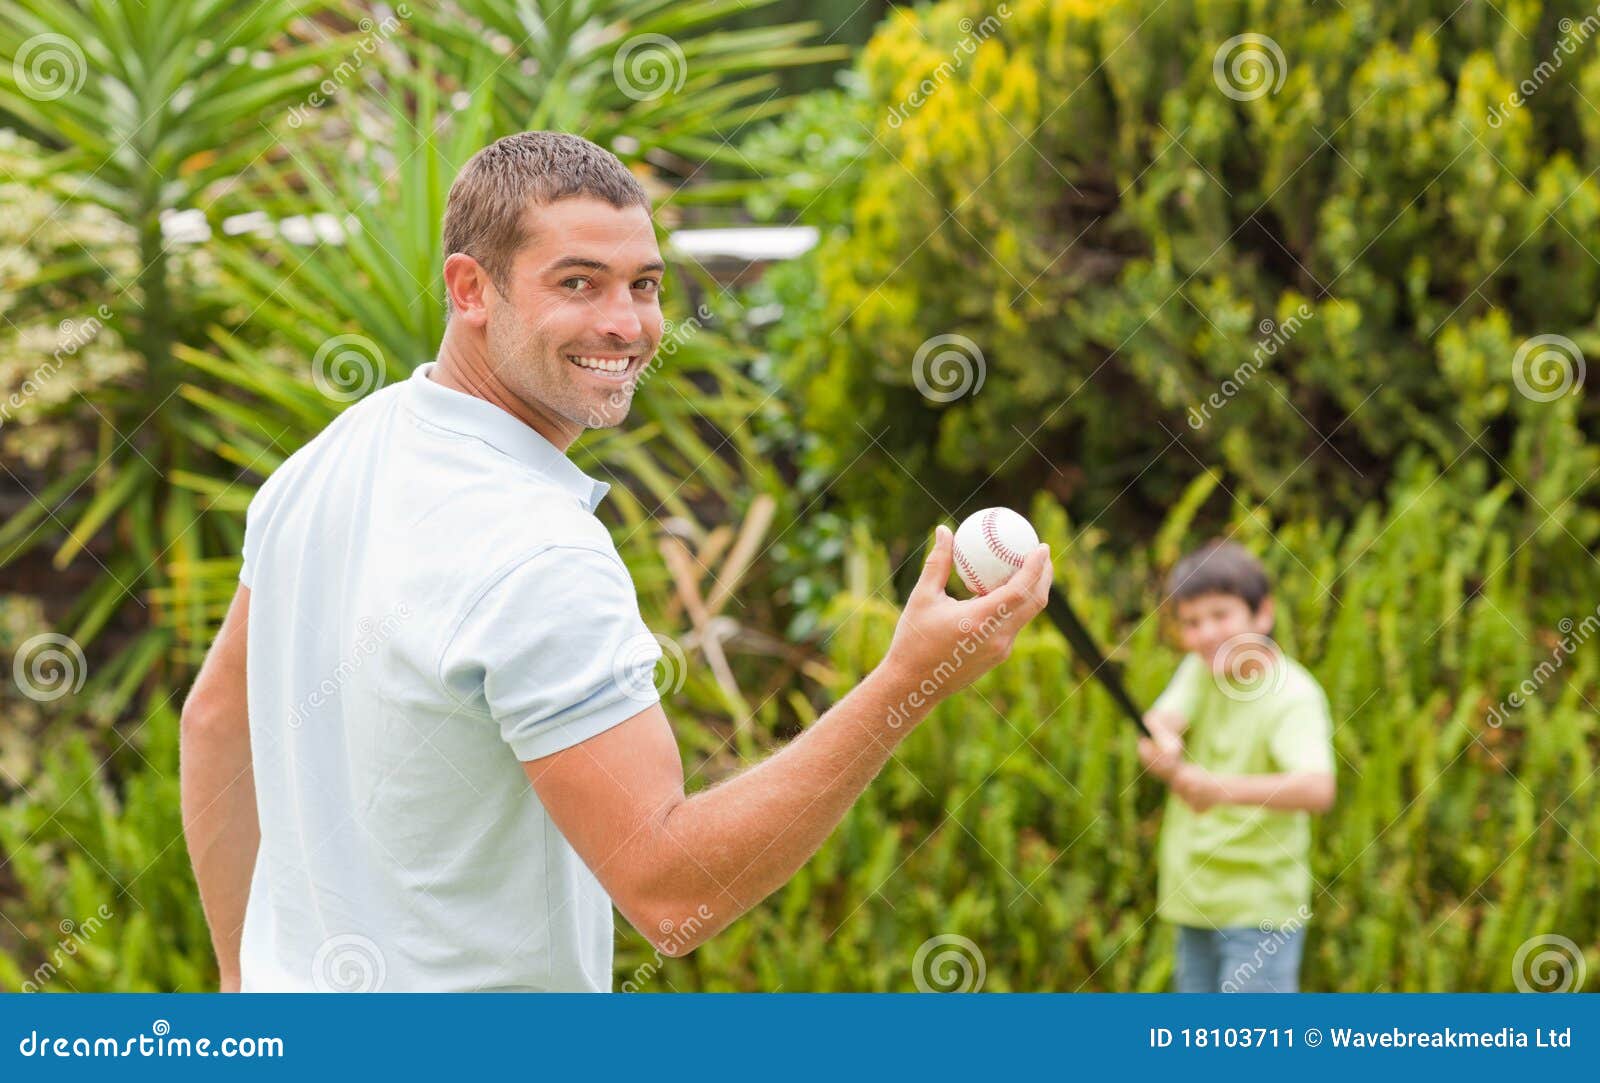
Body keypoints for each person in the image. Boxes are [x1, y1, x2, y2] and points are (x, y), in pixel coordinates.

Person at [178, 131, 1053, 992]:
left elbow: (216, 721)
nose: (627, 324)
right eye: (578, 283)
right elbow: (673, 892)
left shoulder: (330, 458)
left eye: (643, 284)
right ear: (470, 288)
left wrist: (240, 975)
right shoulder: (539, 551)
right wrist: (911, 679)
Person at [1136, 540, 1335, 993]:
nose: (1206, 634)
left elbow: (1317, 788)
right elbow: (1156, 730)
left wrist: (1218, 788)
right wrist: (1160, 743)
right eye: (1191, 622)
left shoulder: (1293, 695)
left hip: (1260, 909)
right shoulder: (1198, 671)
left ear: (1262, 614)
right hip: (1194, 899)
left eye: (1220, 615)